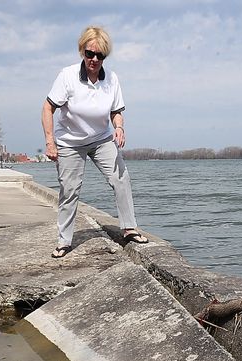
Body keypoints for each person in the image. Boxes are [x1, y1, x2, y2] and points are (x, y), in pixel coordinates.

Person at [42, 26, 149, 259]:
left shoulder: (111, 79)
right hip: (70, 142)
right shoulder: (67, 76)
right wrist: (50, 142)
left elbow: (116, 110)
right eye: (90, 54)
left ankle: (129, 228)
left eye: (100, 55)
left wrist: (119, 127)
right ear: (83, 51)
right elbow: (48, 107)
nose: (94, 59)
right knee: (70, 189)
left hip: (101, 138)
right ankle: (64, 241)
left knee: (121, 177)